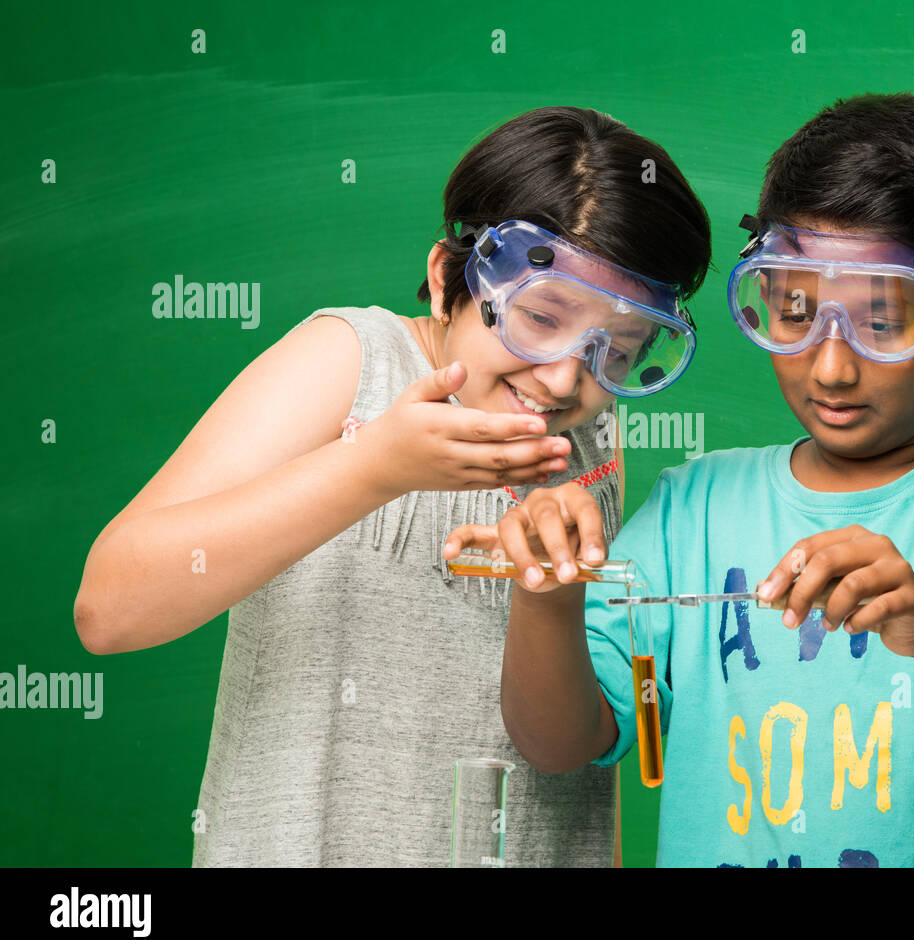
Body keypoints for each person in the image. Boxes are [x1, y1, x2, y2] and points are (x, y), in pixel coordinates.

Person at [444, 92, 914, 867]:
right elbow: (561, 744)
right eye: (795, 309)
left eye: (881, 321)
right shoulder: (690, 510)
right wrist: (548, 597)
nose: (831, 365)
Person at [72, 105, 712, 866]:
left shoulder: (590, 439)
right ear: (448, 281)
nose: (564, 378)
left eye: (616, 350)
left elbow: (564, 744)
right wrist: (372, 468)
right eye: (539, 319)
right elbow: (108, 609)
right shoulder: (349, 364)